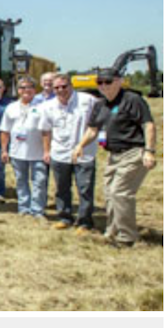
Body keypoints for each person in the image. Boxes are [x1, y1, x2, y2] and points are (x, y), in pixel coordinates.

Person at [74, 68, 157, 246]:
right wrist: (80, 145)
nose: (104, 86)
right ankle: (112, 231)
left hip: (133, 153)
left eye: (108, 82)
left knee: (121, 193)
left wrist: (149, 151)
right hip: (113, 155)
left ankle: (127, 237)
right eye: (100, 83)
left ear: (119, 81)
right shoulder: (100, 104)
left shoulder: (133, 100)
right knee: (109, 194)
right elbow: (93, 129)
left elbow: (148, 125)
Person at [38, 73, 98, 233]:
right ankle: (65, 217)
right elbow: (46, 131)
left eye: (64, 86)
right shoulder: (48, 106)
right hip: (60, 153)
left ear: (71, 85)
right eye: (56, 87)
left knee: (85, 189)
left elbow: (97, 125)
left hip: (84, 154)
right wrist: (46, 151)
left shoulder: (88, 101)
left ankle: (85, 222)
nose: (60, 90)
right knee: (61, 188)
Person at [0, 76, 49, 218]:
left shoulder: (42, 107)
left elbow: (46, 131)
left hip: (37, 153)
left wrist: (47, 151)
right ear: (18, 90)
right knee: (21, 182)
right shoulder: (11, 107)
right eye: (22, 87)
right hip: (17, 152)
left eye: (29, 87)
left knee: (39, 182)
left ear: (34, 89)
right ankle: (24, 208)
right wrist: (4, 150)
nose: (26, 90)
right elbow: (5, 130)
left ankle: (37, 210)